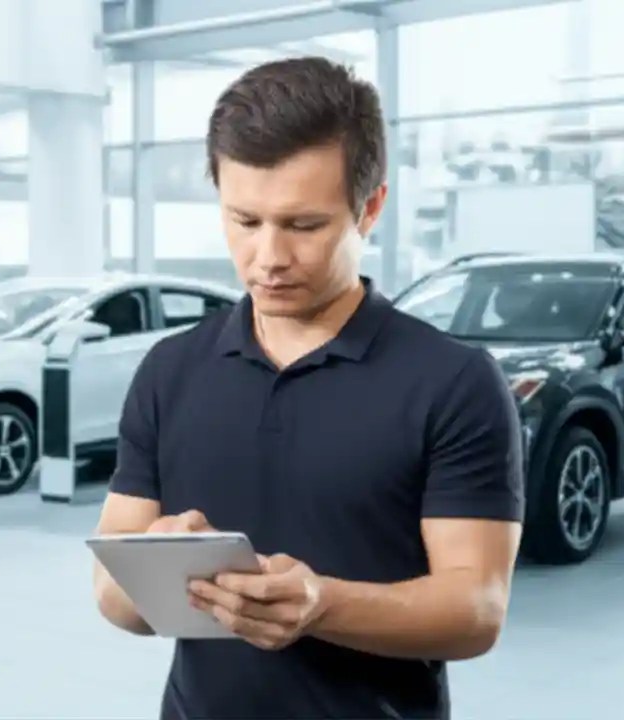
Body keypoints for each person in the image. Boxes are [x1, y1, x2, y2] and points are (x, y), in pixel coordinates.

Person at [91, 56, 525, 720]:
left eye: (303, 225)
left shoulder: (454, 382)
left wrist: (322, 604)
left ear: (369, 208)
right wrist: (159, 566)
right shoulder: (169, 370)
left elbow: (475, 610)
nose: (268, 257)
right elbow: (112, 596)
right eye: (244, 220)